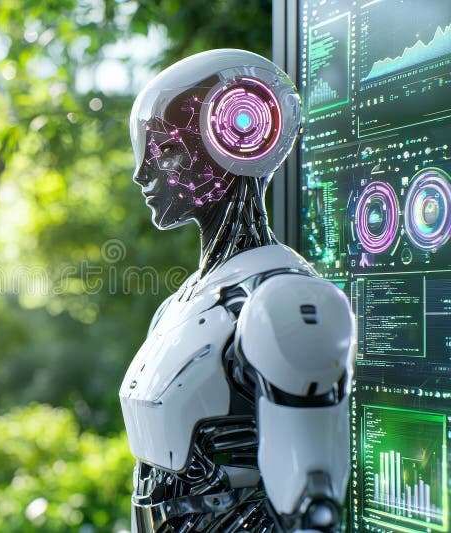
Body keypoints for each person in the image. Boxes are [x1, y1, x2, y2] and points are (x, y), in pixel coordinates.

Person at [119, 49, 356, 533]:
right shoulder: (180, 305)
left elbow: (313, 511)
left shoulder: (282, 304)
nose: (142, 173)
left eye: (166, 151)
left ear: (229, 147)